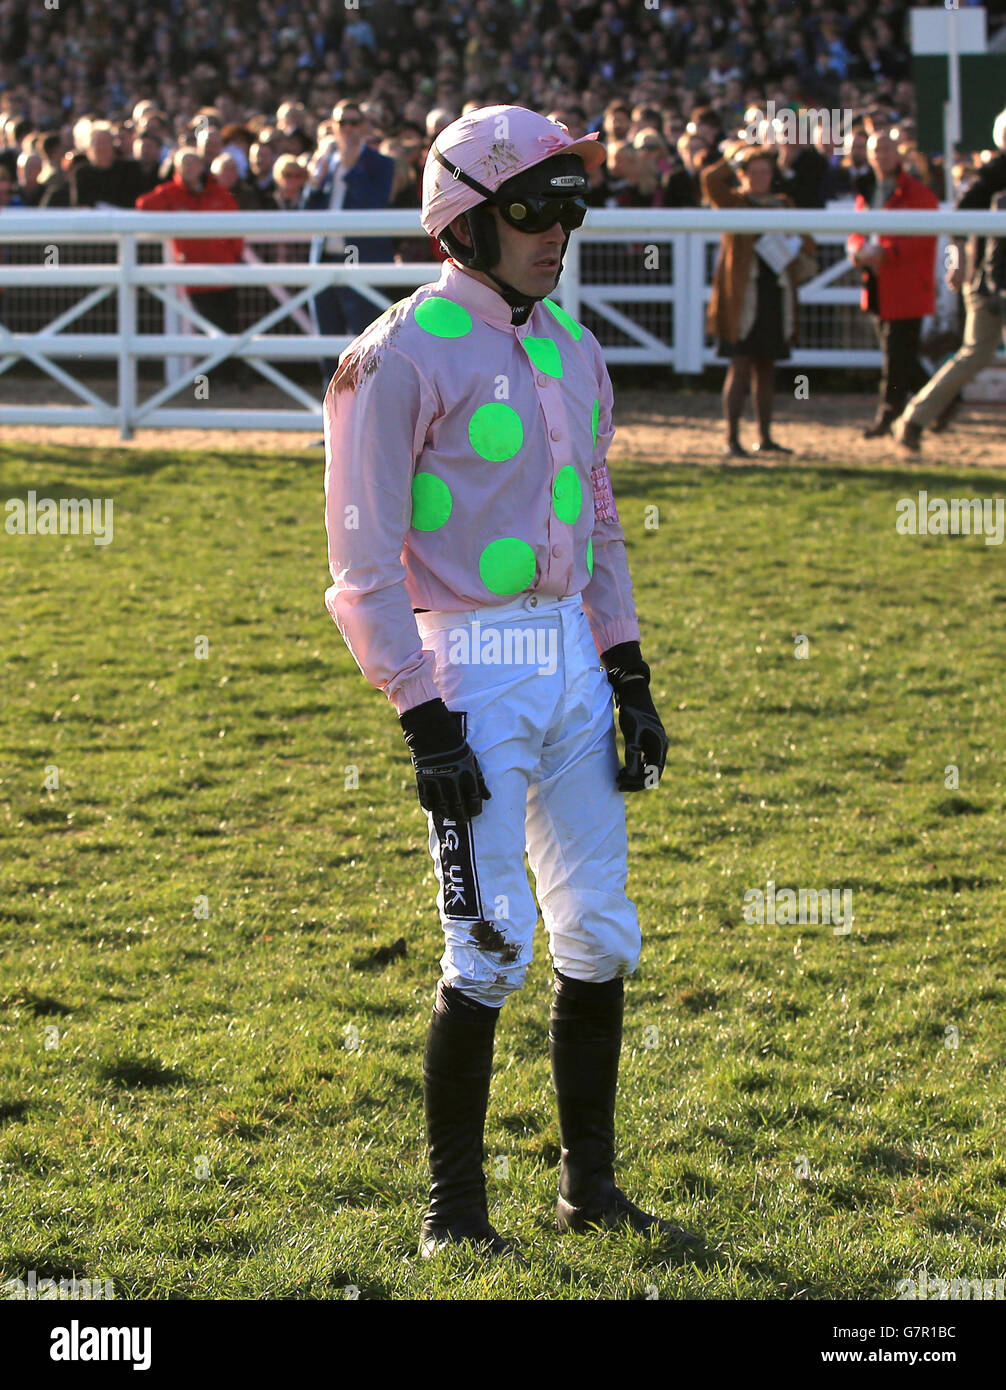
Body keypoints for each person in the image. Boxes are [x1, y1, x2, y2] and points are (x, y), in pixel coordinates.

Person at [322, 104, 701, 1261]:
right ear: (465, 223)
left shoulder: (572, 347)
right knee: (485, 946)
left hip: (571, 667)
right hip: (467, 673)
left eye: (570, 206)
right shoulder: (395, 355)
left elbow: (599, 523)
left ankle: (591, 1188)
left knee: (600, 933)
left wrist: (628, 672)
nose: (558, 231)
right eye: (533, 208)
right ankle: (455, 1213)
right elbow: (358, 561)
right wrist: (421, 716)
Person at [893, 107, 1006, 453]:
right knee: (973, 353)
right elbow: (958, 223)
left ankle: (913, 418)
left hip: (988, 282)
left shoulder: (990, 174)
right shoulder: (994, 174)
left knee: (973, 354)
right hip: (993, 282)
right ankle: (913, 418)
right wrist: (955, 265)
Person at [703, 142, 816, 456]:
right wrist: (733, 154)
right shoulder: (734, 203)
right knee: (739, 366)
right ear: (742, 175)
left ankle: (765, 437)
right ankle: (731, 439)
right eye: (754, 172)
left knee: (767, 367)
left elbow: (807, 242)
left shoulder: (784, 204)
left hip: (775, 294)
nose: (761, 177)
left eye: (766, 171)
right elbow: (710, 181)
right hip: (742, 298)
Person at [847, 132, 938, 438]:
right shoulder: (868, 191)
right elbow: (858, 230)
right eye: (876, 150)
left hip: (905, 285)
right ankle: (941, 402)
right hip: (877, 282)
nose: (880, 156)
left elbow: (925, 236)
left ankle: (891, 415)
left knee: (897, 356)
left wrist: (889, 253)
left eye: (886, 149)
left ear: (898, 154)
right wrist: (857, 251)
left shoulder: (917, 193)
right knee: (899, 355)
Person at [135, 149, 245, 385]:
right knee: (207, 329)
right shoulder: (171, 193)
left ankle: (231, 377)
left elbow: (237, 226)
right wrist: (168, 195)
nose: (190, 169)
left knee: (229, 326)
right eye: (184, 164)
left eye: (193, 163)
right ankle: (212, 379)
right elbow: (143, 205)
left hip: (225, 271)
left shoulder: (218, 193)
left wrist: (233, 256)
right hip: (195, 275)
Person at [305, 100, 395, 385]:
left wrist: (351, 166)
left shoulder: (381, 164)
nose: (349, 129)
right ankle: (327, 410)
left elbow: (374, 204)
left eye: (355, 122)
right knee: (325, 339)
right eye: (343, 122)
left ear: (366, 126)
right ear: (333, 126)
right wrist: (315, 185)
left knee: (365, 340)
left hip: (361, 260)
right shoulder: (324, 162)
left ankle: (365, 411)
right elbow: (307, 212)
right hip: (323, 260)